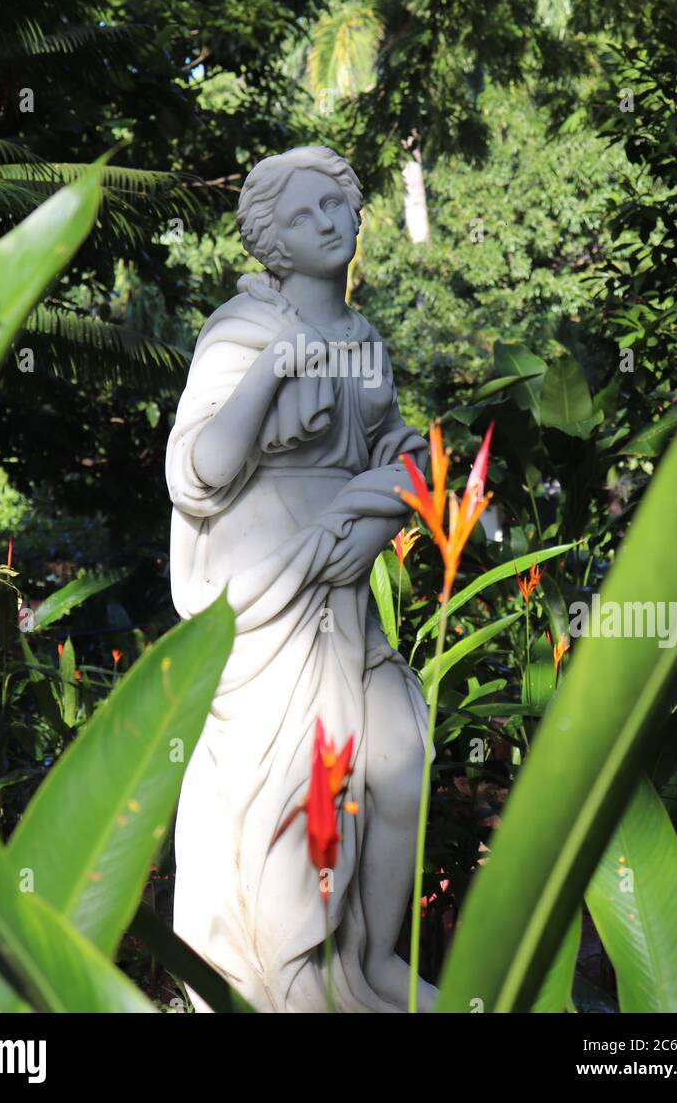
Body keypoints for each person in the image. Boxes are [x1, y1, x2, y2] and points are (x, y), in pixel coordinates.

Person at [167, 145, 434, 1012]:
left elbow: (404, 456)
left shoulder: (367, 343)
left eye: (338, 205)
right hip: (271, 600)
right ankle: (293, 975)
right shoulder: (239, 333)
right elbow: (199, 471)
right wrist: (281, 363)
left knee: (400, 756)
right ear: (270, 243)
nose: (330, 220)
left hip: (344, 588)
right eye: (305, 212)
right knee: (302, 789)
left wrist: (377, 521)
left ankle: (373, 957)